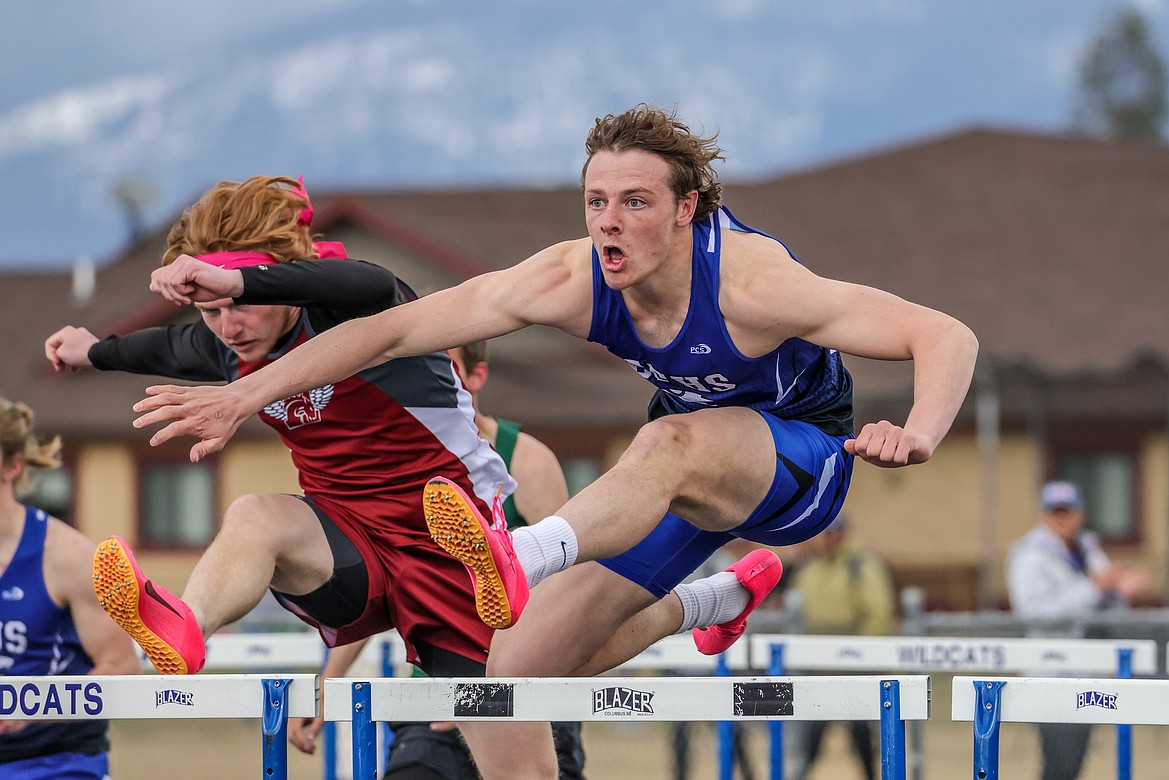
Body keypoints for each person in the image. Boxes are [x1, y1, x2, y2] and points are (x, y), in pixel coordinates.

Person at [127, 106, 977, 777]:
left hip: (802, 460)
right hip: (685, 477)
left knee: (671, 442)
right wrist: (242, 395)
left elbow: (944, 333)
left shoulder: (755, 284)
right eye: (596, 203)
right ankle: (711, 602)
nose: (610, 225)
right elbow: (391, 331)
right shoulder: (572, 277)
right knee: (505, 676)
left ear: (687, 210)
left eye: (636, 204)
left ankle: (520, 555)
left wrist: (922, 432)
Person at [46, 174, 782, 780]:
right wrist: (91, 350)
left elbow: (357, 276)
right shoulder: (223, 343)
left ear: (281, 276)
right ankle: (187, 625)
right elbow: (160, 347)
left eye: (240, 301)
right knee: (255, 515)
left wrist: (233, 281)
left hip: (457, 542)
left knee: (545, 707)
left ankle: (712, 599)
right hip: (352, 545)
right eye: (208, 312)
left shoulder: (361, 304)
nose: (228, 326)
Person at [291, 340, 587, 779]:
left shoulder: (529, 462)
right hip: (433, 693)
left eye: (440, 367)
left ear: (476, 376)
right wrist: (327, 686)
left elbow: (569, 593)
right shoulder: (391, 468)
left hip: (524, 687)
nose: (421, 381)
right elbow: (379, 590)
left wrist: (482, 691)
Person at [0, 397, 141, 780]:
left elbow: (123, 666)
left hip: (56, 762)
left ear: (13, 466)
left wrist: (32, 708)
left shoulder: (69, 556)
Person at [1006, 480, 1149, 780]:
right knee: (1060, 767)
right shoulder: (1029, 555)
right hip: (1050, 673)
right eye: (1054, 511)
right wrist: (1094, 587)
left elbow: (1103, 604)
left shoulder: (1088, 549)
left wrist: (1119, 591)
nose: (1061, 518)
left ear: (1080, 514)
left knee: (1072, 768)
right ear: (1042, 515)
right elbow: (1034, 614)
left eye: (1067, 511)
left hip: (1087, 674)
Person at [786, 515, 895, 780]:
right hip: (817, 668)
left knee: (861, 735)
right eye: (826, 533)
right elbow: (796, 612)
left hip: (854, 668)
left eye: (835, 532)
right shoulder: (809, 567)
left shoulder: (861, 565)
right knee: (811, 735)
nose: (830, 539)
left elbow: (878, 611)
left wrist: (861, 653)